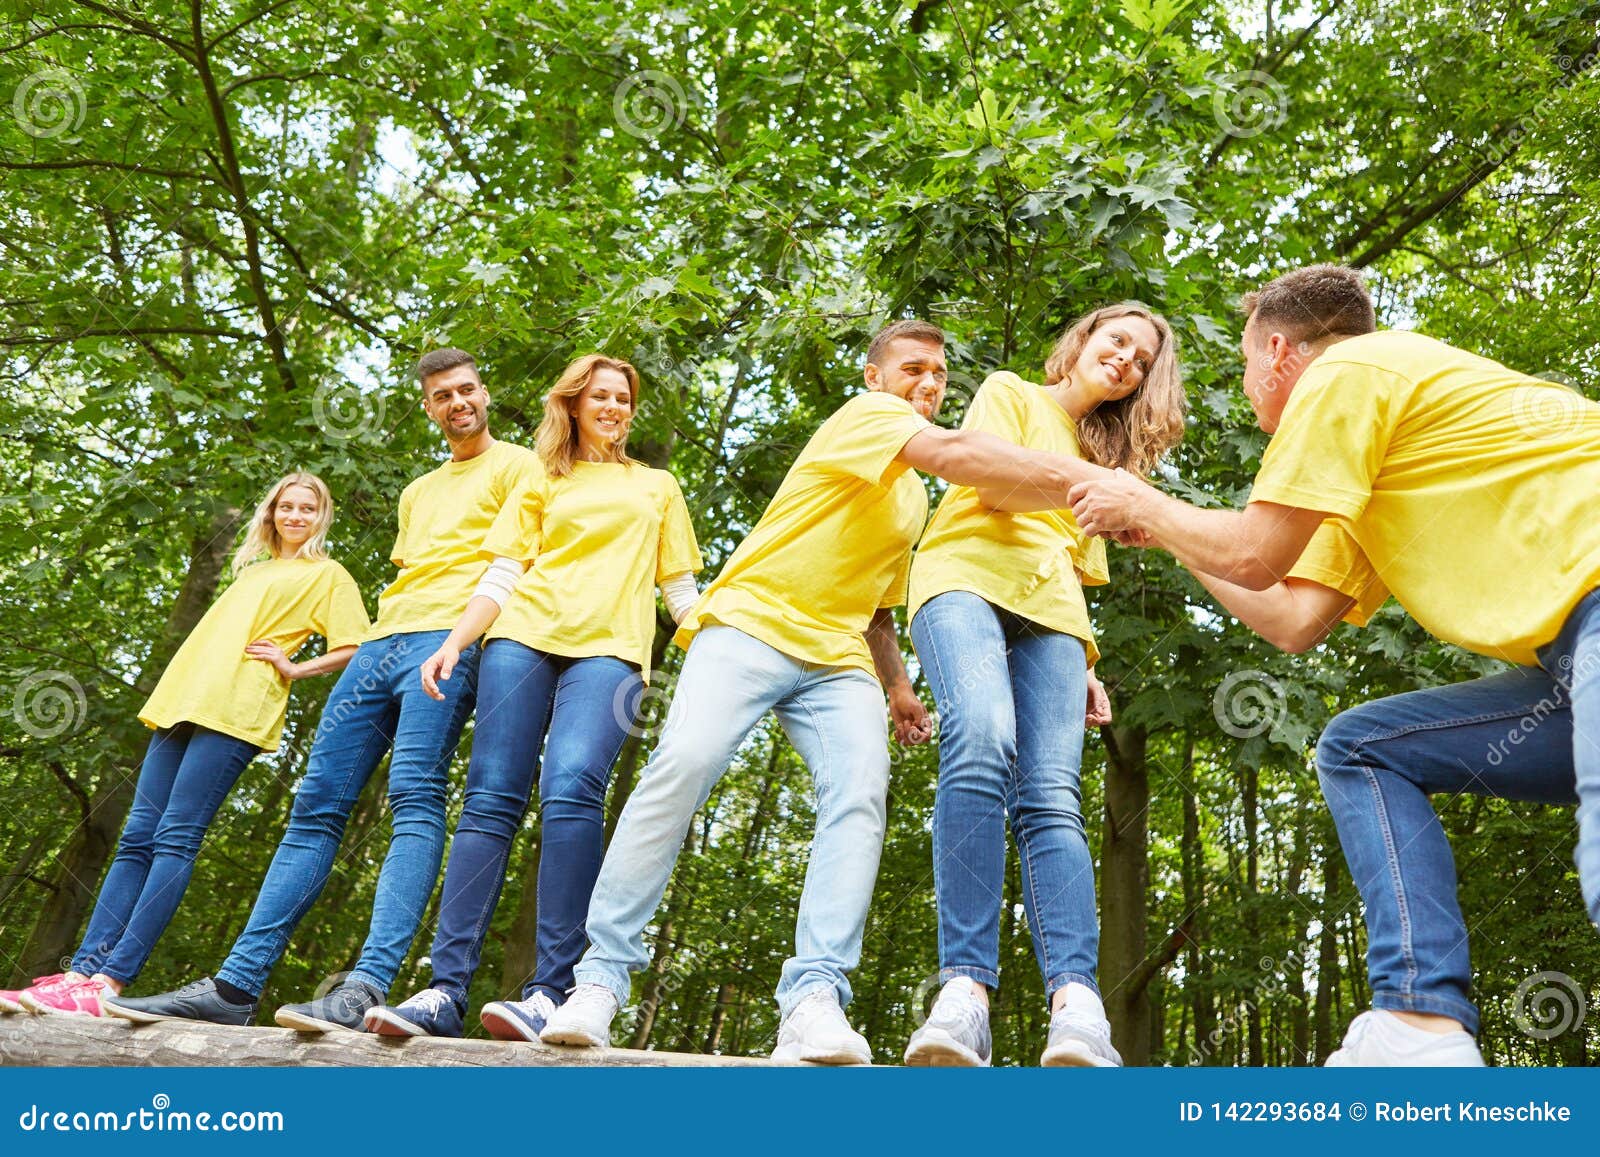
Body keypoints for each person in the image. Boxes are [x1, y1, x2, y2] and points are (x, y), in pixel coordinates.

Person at [539, 319, 1127, 1064]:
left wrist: (900, 686)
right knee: (682, 763)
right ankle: (599, 980)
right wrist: (1099, 485)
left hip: (839, 654)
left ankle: (814, 998)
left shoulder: (913, 500)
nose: (930, 384)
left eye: (941, 375)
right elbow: (959, 453)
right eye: (913, 368)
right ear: (875, 377)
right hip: (751, 622)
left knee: (860, 796)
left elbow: (881, 607)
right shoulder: (869, 419)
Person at [1066, 264, 1600, 1067]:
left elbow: (1253, 550)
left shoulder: (1348, 372)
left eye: (1245, 364)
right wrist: (1164, 525)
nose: (1248, 387)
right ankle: (1421, 1022)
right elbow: (1291, 614)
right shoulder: (1386, 455)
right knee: (1361, 746)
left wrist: (1142, 504)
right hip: (1569, 663)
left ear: (1278, 350)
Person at [104, 349, 543, 1030]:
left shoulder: (520, 465)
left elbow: (517, 564)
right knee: (313, 806)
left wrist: (463, 641)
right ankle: (235, 987)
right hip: (380, 641)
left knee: (415, 795)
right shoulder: (417, 491)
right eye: (441, 396)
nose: (456, 402)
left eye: (465, 390)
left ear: (485, 392)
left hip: (448, 639)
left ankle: (365, 986)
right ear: (428, 407)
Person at [362, 354, 702, 1040]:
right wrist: (454, 641)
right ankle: (443, 989)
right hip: (520, 637)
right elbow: (505, 571)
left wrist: (727, 656)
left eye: (623, 397)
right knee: (489, 795)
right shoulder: (543, 477)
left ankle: (551, 990)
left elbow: (681, 594)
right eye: (599, 395)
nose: (612, 406)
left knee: (573, 786)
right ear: (573, 405)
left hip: (609, 651)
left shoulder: (657, 485)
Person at [902, 303, 1185, 1067]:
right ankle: (964, 992)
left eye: (1141, 359)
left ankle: (1077, 1007)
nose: (1125, 359)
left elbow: (1075, 567)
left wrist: (1087, 664)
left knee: (1052, 793)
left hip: (1054, 617)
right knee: (981, 740)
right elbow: (992, 485)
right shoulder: (1011, 392)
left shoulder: (1110, 462)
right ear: (1084, 341)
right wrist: (1088, 485)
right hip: (963, 576)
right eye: (1116, 341)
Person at [1, 474, 368, 1018]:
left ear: (321, 517)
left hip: (235, 710)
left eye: (306, 508)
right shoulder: (255, 570)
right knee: (135, 839)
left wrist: (295, 665)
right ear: (270, 513)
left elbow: (356, 643)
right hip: (181, 702)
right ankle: (80, 974)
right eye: (285, 506)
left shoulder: (329, 575)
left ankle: (109, 982)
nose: (294, 515)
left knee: (175, 838)